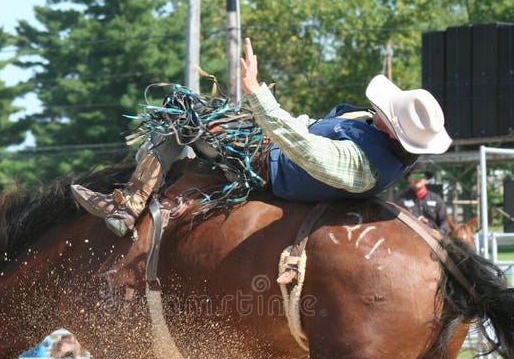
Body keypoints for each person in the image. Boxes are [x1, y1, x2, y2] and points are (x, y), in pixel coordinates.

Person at [71, 37, 452, 234]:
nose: (379, 111)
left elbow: (304, 149)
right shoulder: (372, 130)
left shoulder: (366, 166)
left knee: (179, 114)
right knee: (194, 114)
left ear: (394, 129)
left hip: (267, 162)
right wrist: (262, 109)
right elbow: (308, 126)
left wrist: (258, 96)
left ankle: (129, 206)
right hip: (267, 140)